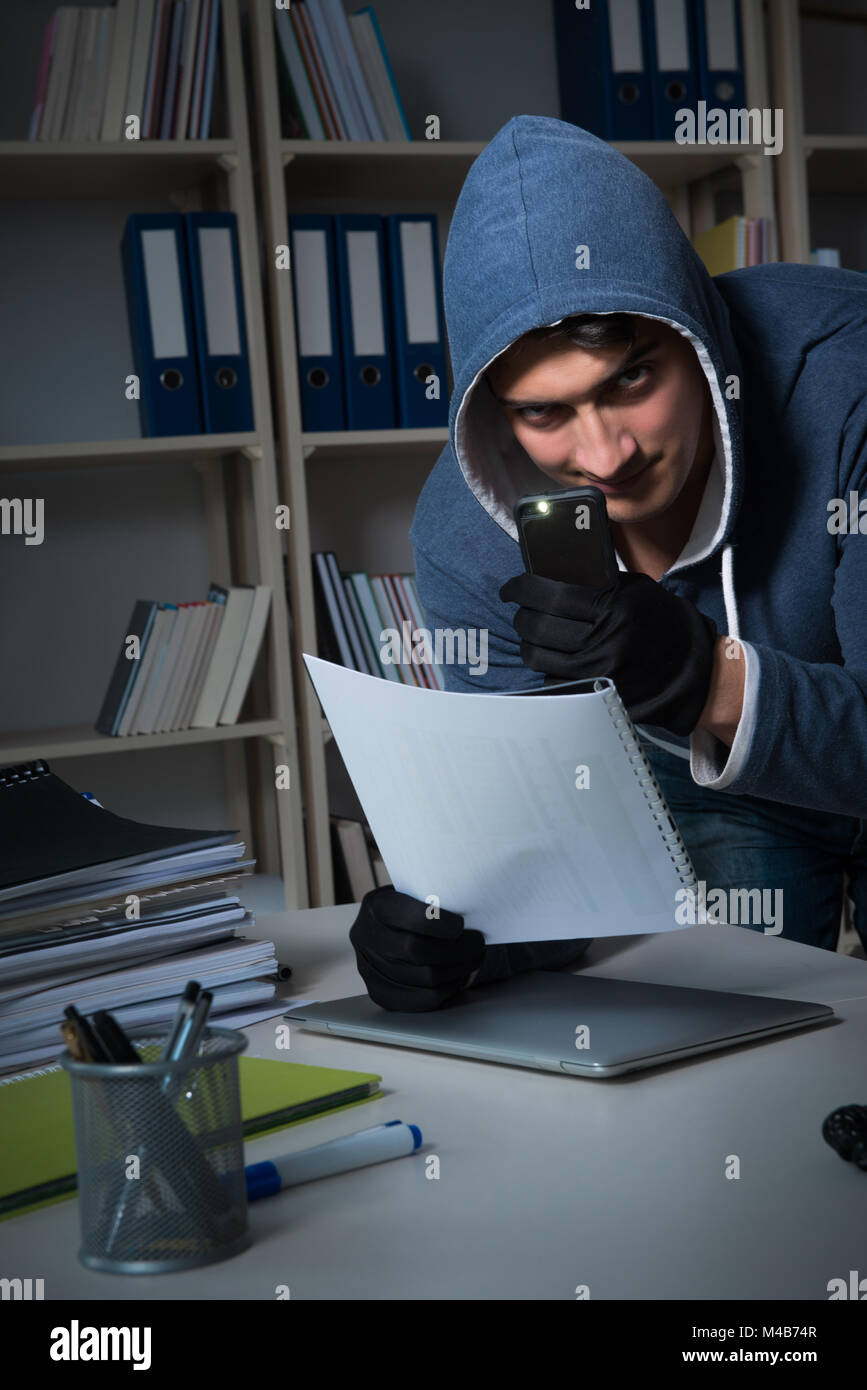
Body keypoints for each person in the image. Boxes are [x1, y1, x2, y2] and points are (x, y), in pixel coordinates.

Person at [350, 114, 867, 1012]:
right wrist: (470, 936)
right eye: (543, 414)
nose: (604, 454)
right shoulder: (466, 530)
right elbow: (558, 838)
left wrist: (706, 677)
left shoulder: (848, 376)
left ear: (698, 330)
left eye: (630, 379)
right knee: (733, 1049)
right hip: (724, 790)